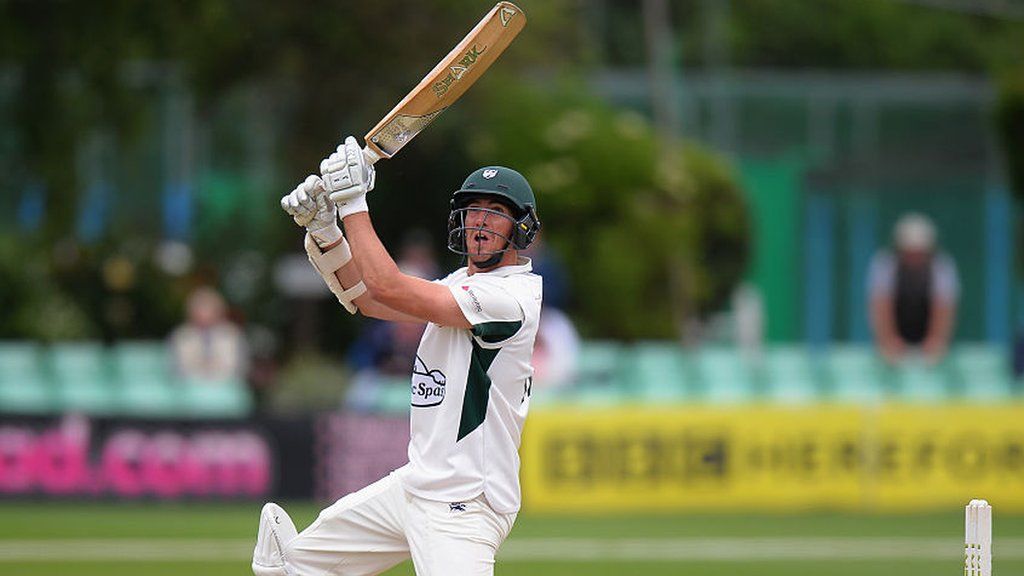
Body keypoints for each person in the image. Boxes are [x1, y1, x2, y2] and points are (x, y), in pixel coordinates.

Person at [254, 137, 543, 576]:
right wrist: (326, 230)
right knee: (293, 565)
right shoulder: (458, 285)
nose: (480, 222)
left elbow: (388, 286)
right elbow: (369, 299)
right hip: (416, 486)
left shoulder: (511, 298)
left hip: (465, 504)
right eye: (474, 210)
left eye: (496, 212)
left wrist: (353, 202)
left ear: (520, 227)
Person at [867, 212, 960, 365]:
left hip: (927, 331)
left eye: (919, 252)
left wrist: (936, 341)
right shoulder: (884, 265)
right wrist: (888, 341)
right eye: (909, 252)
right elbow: (880, 307)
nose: (914, 257)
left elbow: (944, 309)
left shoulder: (942, 267)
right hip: (897, 330)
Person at [168, 286, 248, 381]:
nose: (204, 314)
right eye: (200, 308)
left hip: (225, 386)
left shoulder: (232, 334)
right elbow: (175, 368)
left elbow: (240, 367)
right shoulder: (180, 335)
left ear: (218, 311)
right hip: (190, 387)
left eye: (208, 308)